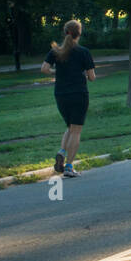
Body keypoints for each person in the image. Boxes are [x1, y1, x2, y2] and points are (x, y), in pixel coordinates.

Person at [41, 19, 96, 178]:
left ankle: (61, 152)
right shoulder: (83, 52)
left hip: (61, 95)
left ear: (66, 32)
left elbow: (44, 68)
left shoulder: (55, 51)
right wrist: (84, 74)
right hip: (79, 94)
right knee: (76, 130)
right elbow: (92, 77)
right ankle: (69, 167)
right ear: (79, 34)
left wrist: (56, 73)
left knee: (71, 128)